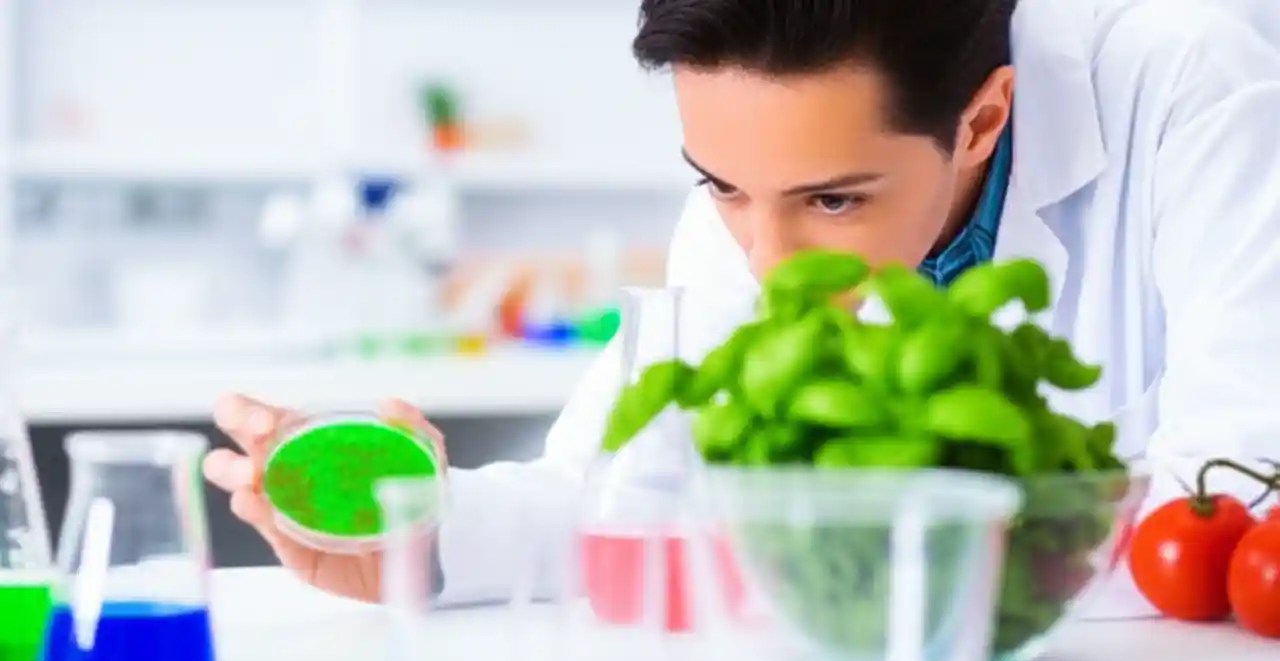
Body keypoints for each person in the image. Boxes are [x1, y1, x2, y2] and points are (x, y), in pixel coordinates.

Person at [205, 0, 1280, 613]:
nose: (766, 258)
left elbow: (1232, 489)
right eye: (717, 183)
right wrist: (427, 536)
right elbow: (626, 496)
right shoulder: (758, 207)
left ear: (982, 118)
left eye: (831, 198)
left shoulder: (1192, 86)